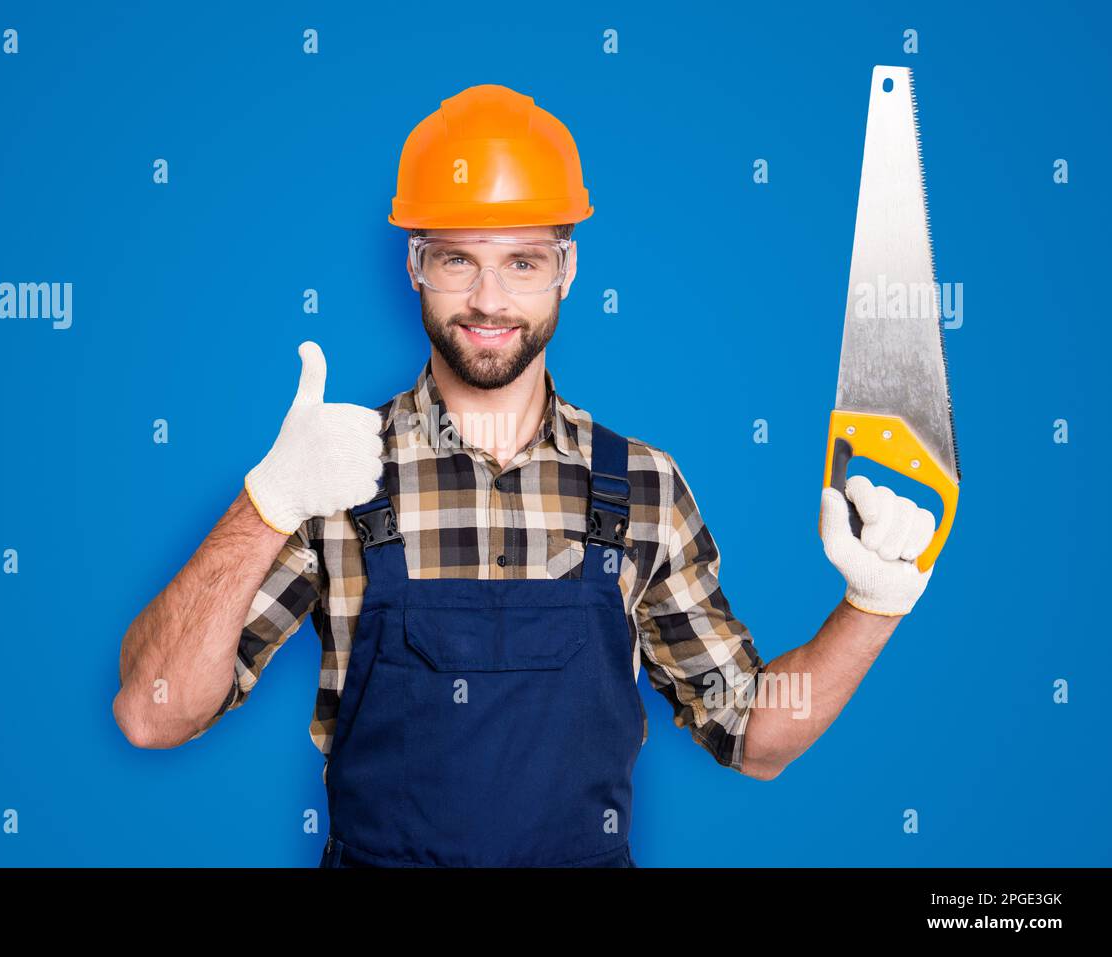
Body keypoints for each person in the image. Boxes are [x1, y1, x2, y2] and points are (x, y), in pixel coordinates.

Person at [112, 84, 938, 868]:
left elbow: (754, 736)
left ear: (567, 270)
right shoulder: (334, 475)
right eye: (456, 260)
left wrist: (875, 603)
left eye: (523, 262)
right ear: (413, 266)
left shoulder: (642, 487)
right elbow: (154, 712)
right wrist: (268, 501)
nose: (488, 298)